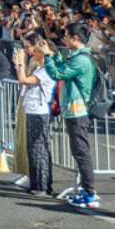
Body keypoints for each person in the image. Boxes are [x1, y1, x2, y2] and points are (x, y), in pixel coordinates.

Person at [42, 23, 102, 210]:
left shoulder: (81, 60)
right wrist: (54, 55)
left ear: (75, 39)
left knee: (81, 152)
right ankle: (86, 190)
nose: (64, 40)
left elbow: (58, 73)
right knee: (79, 152)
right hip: (72, 109)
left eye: (66, 36)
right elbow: (64, 69)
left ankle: (89, 192)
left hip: (78, 111)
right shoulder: (76, 57)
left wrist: (47, 57)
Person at [13, 35, 56, 198]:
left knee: (39, 149)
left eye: (38, 51)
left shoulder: (47, 70)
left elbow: (24, 79)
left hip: (40, 111)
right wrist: (19, 65)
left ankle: (43, 186)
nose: (34, 54)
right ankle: (36, 183)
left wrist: (20, 64)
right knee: (33, 148)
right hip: (32, 109)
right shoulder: (39, 68)